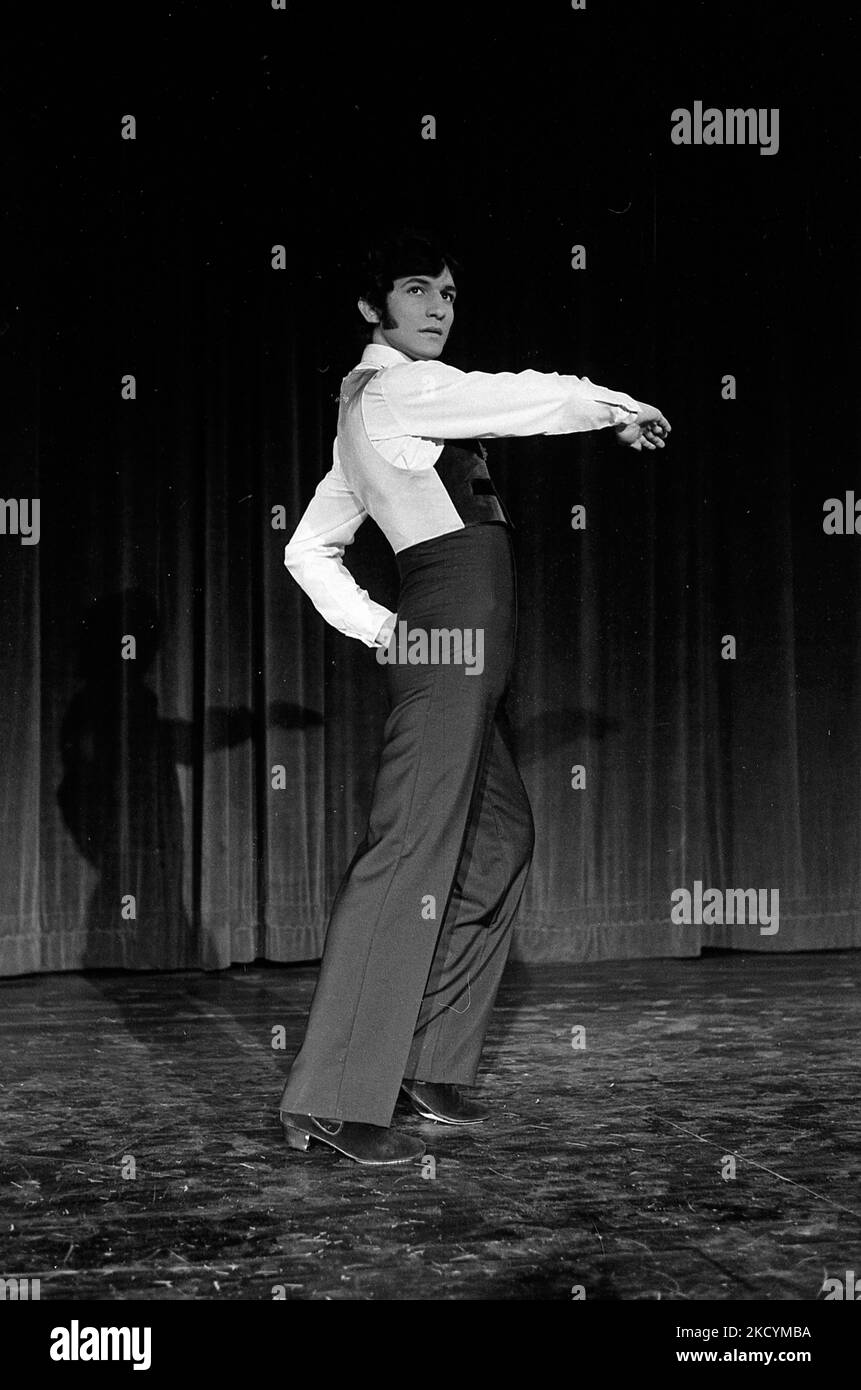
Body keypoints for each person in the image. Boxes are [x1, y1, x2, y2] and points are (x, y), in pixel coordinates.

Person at [278, 229, 671, 1165]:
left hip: (458, 640)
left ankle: (422, 1058)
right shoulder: (402, 388)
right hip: (452, 631)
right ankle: (332, 1098)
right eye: (416, 290)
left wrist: (382, 631)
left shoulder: (368, 408)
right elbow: (523, 397)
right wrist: (613, 406)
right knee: (410, 844)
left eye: (448, 292)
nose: (439, 307)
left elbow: (305, 548)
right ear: (373, 310)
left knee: (497, 841)